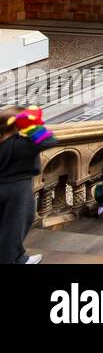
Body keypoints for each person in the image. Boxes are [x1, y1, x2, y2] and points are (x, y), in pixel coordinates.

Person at [0, 106, 55, 264]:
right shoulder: (24, 143)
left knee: (4, 225)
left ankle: (16, 257)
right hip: (19, 189)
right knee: (17, 226)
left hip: (2, 186)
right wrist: (31, 127)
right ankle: (14, 260)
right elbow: (49, 140)